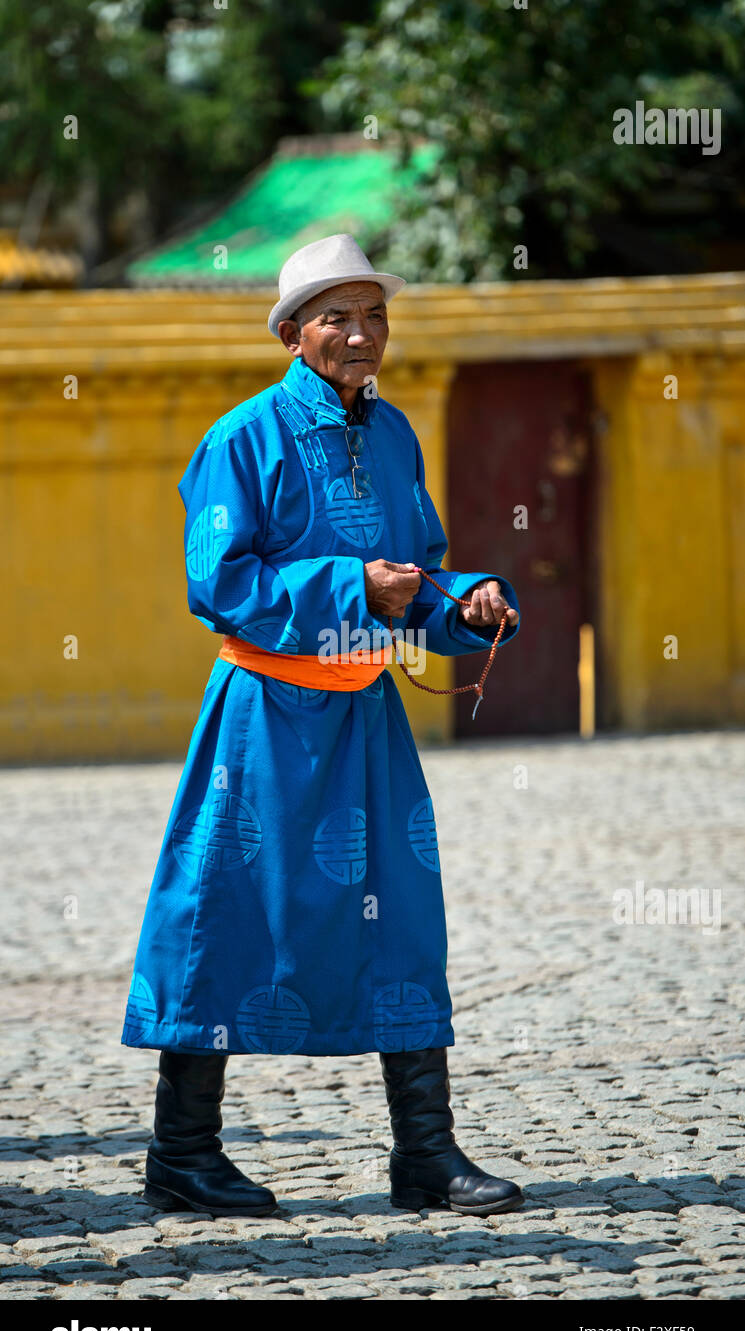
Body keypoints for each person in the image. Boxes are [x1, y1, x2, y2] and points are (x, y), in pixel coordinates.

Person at [121, 233, 523, 1219]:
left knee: (401, 916)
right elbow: (219, 585)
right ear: (294, 330)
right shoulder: (241, 438)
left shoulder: (393, 436)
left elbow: (419, 572)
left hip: (366, 720)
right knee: (222, 916)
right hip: (262, 721)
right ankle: (183, 1155)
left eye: (373, 313)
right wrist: (351, 584)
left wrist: (463, 602)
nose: (359, 333)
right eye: (336, 315)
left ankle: (424, 1155)